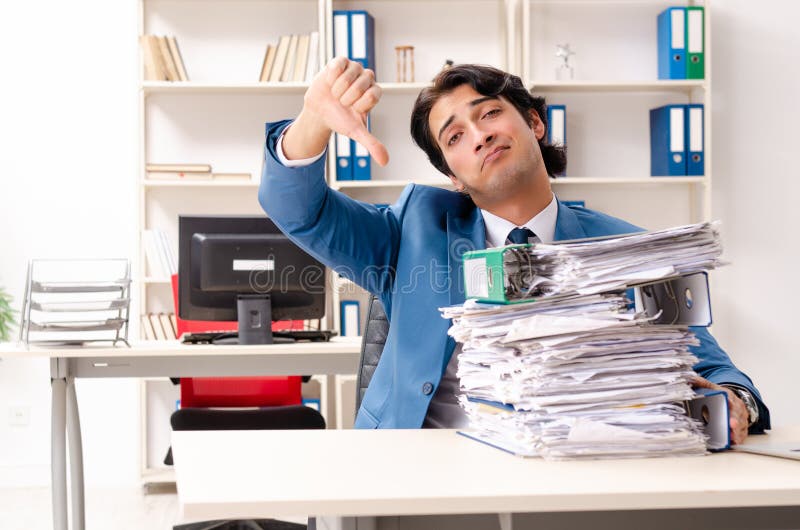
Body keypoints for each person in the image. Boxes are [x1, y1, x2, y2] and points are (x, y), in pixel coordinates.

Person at [259, 57, 770, 444]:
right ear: (451, 173)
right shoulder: (409, 233)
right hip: (421, 468)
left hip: (567, 477)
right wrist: (311, 124)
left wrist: (735, 401)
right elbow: (300, 211)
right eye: (455, 136)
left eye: (489, 115)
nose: (479, 136)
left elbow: (715, 369)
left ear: (535, 124)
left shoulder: (623, 250)